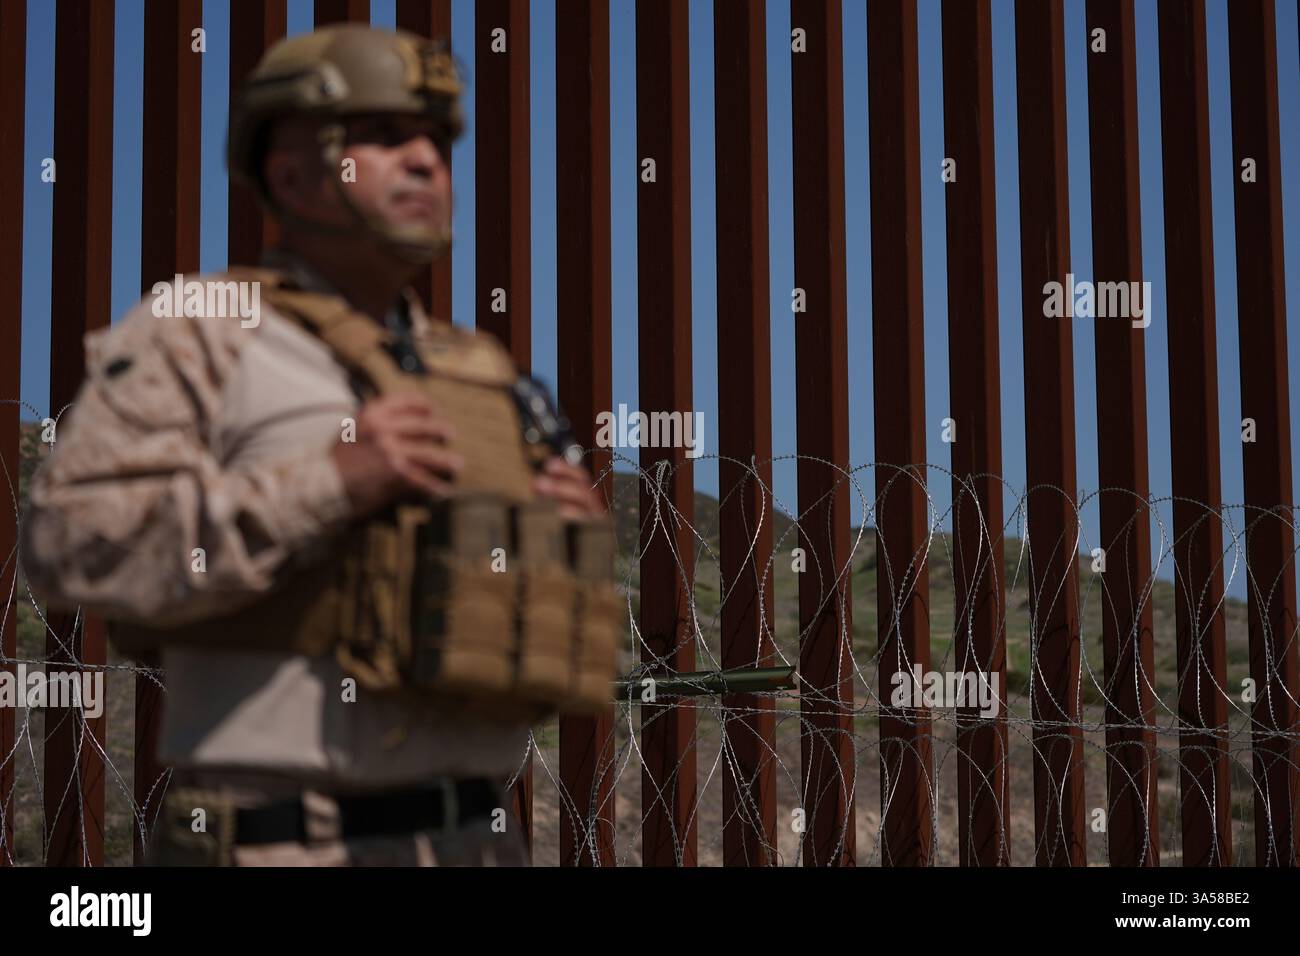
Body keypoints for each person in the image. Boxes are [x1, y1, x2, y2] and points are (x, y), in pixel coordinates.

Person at [19, 24, 606, 867]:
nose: (425, 161)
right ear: (289, 171)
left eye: (437, 141)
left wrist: (561, 548)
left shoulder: (483, 375)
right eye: (381, 136)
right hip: (276, 843)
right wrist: (329, 482)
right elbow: (69, 545)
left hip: (477, 840)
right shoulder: (199, 331)